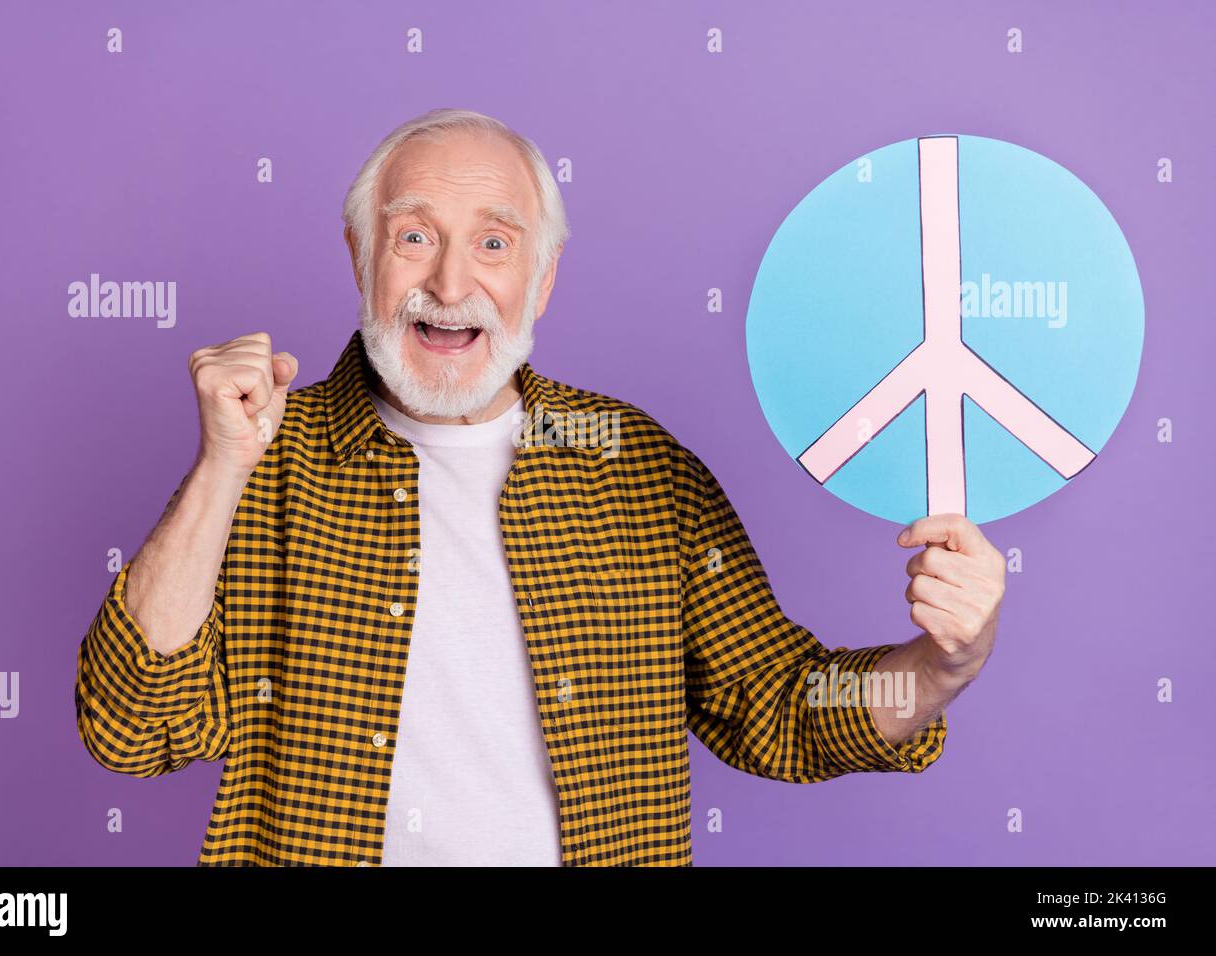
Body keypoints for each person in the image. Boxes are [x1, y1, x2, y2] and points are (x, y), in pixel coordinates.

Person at [74, 108, 1006, 867]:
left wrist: (940, 668)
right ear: (361, 258)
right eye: (412, 236)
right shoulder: (265, 460)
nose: (449, 280)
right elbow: (128, 727)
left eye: (492, 242)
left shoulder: (639, 466)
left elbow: (782, 708)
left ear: (543, 279)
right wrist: (221, 467)